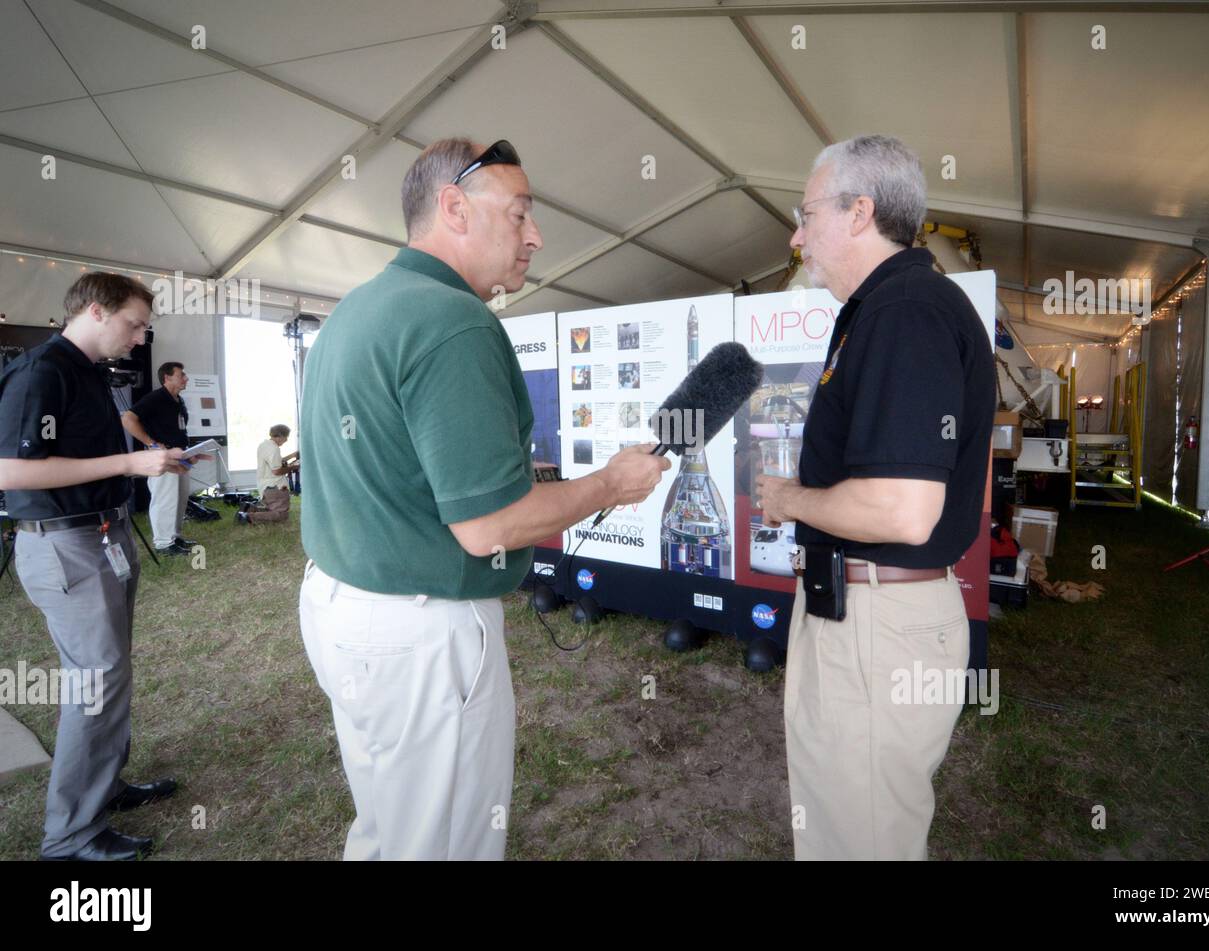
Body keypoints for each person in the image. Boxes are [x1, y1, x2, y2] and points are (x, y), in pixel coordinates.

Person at [298, 138, 670, 861]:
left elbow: (404, 470)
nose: (535, 237)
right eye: (521, 214)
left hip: (345, 610)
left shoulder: (357, 309)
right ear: (454, 208)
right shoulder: (453, 320)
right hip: (420, 636)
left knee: (386, 828)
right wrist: (609, 485)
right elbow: (487, 526)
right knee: (443, 844)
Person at [755, 135, 995, 861]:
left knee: (858, 842)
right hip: (866, 614)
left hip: (875, 625)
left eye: (805, 215)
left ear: (860, 213)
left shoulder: (904, 311)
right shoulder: (886, 309)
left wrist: (791, 499)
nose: (796, 238)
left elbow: (901, 509)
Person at [0, 273, 190, 861]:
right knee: (94, 681)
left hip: (97, 537)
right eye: (134, 324)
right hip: (64, 544)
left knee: (107, 677)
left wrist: (144, 461)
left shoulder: (88, 373)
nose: (139, 338)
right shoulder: (42, 372)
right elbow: (11, 472)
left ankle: (103, 788)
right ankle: (71, 836)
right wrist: (129, 465)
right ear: (95, 311)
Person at [121, 361, 192, 555]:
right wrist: (151, 443)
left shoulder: (178, 400)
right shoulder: (156, 397)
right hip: (163, 456)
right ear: (167, 378)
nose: (186, 378)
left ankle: (175, 537)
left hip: (179, 455)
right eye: (182, 375)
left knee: (180, 497)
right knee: (165, 498)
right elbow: (128, 418)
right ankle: (163, 543)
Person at [238, 424, 297, 525]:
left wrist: (292, 456)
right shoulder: (274, 449)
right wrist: (294, 467)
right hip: (275, 486)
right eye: (286, 437)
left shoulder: (264, 445)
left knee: (271, 509)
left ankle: (249, 508)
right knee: (282, 515)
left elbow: (276, 462)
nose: (286, 440)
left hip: (265, 486)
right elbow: (277, 471)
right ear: (280, 436)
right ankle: (247, 517)